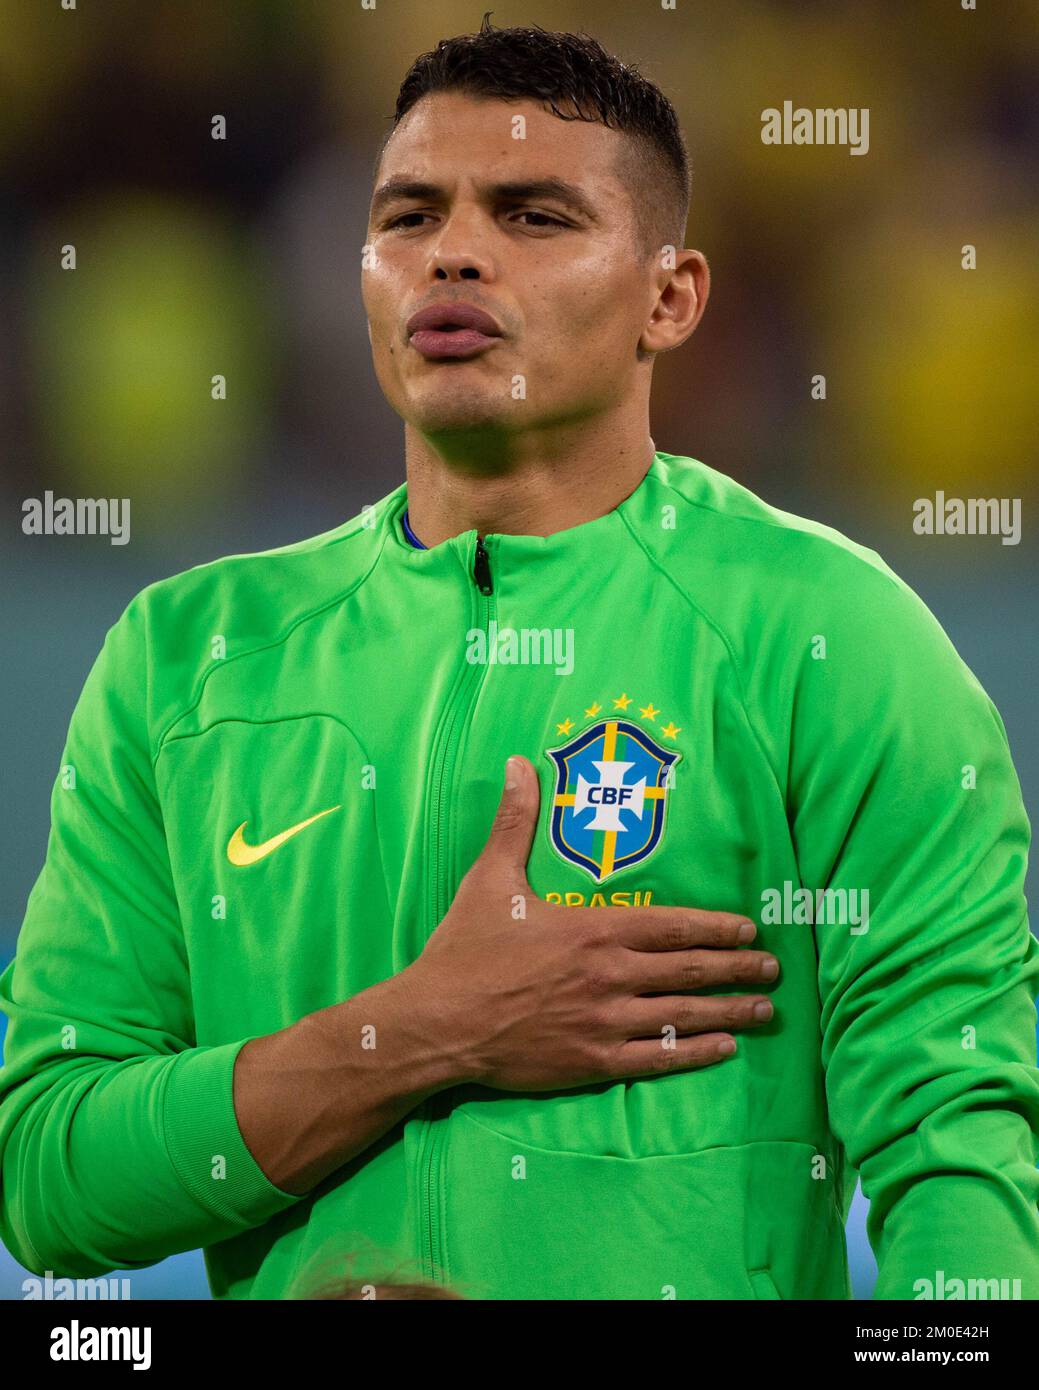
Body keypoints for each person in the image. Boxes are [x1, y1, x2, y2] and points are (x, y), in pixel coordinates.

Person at [2, 20, 1037, 1302]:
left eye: (534, 215)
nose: (454, 252)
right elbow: (46, 1177)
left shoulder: (829, 638)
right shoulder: (185, 660)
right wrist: (427, 1029)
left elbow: (958, 1161)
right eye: (409, 215)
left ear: (671, 296)